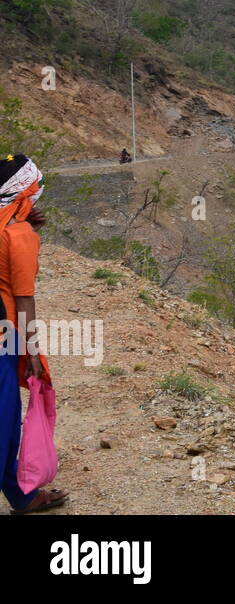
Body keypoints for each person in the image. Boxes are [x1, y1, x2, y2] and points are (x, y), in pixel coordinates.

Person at [0, 154, 67, 513]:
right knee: (2, 423)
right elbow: (24, 301)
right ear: (24, 192)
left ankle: (21, 495)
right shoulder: (18, 234)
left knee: (7, 419)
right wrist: (35, 358)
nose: (40, 190)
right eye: (36, 184)